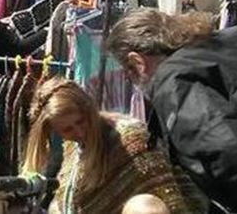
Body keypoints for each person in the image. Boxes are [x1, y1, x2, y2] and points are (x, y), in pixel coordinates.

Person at [107, 9, 237, 214]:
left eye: (127, 73)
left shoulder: (171, 82)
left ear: (137, 63)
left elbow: (230, 154)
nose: (129, 80)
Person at [22, 78, 207, 214]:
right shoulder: (72, 149)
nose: (78, 131)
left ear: (89, 109)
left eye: (80, 121)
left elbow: (168, 198)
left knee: (144, 207)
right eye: (67, 129)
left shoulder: (130, 138)